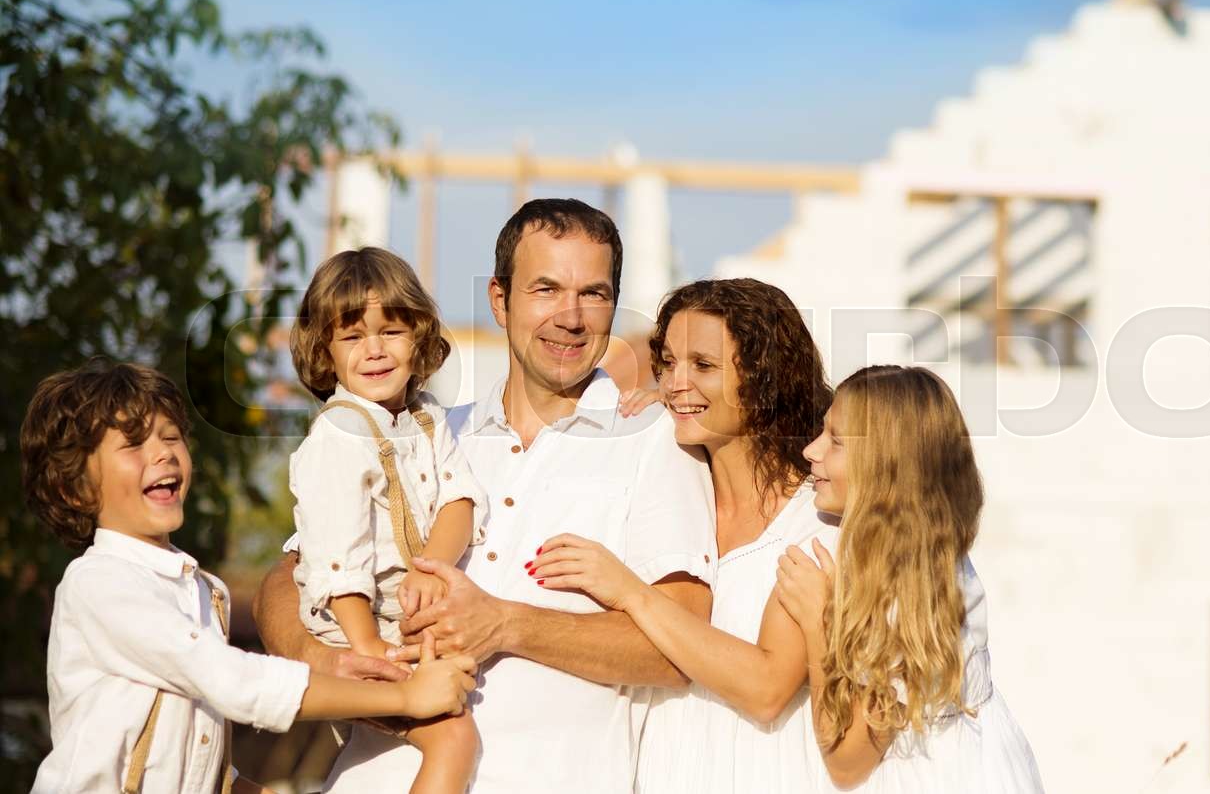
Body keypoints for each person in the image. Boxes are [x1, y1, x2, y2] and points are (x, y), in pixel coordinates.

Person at [253, 199, 717, 793]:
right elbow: (286, 577)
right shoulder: (429, 432)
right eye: (545, 289)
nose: (571, 317)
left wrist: (505, 625)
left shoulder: (655, 440)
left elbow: (683, 651)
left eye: (594, 294)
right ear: (500, 300)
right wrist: (315, 659)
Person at [22, 359, 476, 794]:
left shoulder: (202, 590)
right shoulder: (99, 583)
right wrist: (407, 698)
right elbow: (233, 682)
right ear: (73, 488)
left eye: (172, 436)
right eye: (134, 444)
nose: (164, 453)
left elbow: (196, 758)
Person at [530, 278, 839, 793]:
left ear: (766, 377)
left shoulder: (817, 521)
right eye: (668, 363)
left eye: (704, 365)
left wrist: (630, 591)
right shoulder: (668, 488)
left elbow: (768, 692)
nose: (675, 382)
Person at [774, 365, 1045, 792]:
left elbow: (847, 763)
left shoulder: (905, 585)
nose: (811, 450)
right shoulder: (926, 546)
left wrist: (817, 621)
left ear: (886, 464)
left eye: (836, 441)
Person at [286, 246, 488, 793]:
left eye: (391, 332)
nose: (374, 351)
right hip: (352, 623)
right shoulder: (337, 437)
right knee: (454, 737)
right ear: (326, 351)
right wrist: (367, 646)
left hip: (401, 616)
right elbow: (337, 561)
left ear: (418, 338)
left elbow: (459, 501)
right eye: (352, 337)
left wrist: (430, 567)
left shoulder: (426, 420)